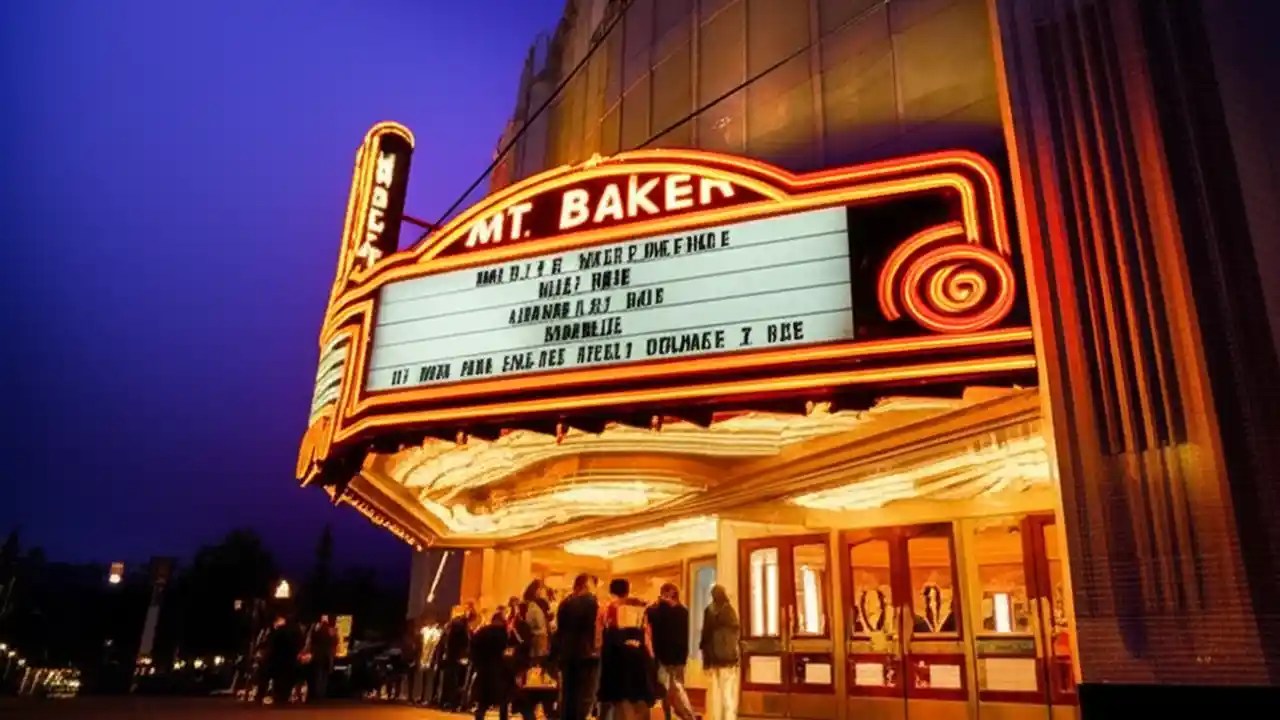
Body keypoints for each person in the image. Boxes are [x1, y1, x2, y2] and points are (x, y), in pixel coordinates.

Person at [598, 579, 655, 720]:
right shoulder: (641, 608)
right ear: (627, 590)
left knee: (619, 698)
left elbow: (600, 634)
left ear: (611, 591)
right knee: (639, 698)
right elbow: (647, 634)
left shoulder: (606, 609)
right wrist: (650, 657)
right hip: (638, 657)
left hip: (615, 657)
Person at [555, 573, 601, 720]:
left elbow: (560, 630)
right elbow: (596, 629)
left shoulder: (564, 603)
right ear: (587, 585)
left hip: (567, 654)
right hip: (587, 655)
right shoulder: (592, 602)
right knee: (585, 695)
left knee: (568, 695)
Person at [646, 584, 695, 720]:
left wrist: (658, 603)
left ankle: (670, 715)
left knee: (665, 689)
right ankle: (686, 715)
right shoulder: (684, 612)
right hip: (679, 657)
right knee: (678, 688)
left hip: (662, 657)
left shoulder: (657, 611)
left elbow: (649, 616)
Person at [700, 585, 740, 720]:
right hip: (728, 659)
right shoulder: (729, 611)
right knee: (728, 695)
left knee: (715, 695)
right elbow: (735, 633)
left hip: (713, 659)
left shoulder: (708, 611)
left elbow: (705, 636)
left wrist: (706, 662)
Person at [471, 611, 516, 720]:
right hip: (499, 669)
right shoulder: (502, 633)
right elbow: (508, 649)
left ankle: (479, 716)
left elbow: (473, 647)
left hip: (484, 669)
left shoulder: (482, 632)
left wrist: (477, 663)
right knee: (503, 699)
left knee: (483, 700)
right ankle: (503, 718)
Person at [440, 606, 473, 710]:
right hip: (457, 658)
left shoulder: (454, 627)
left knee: (451, 680)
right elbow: (464, 643)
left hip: (453, 657)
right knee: (457, 681)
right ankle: (454, 703)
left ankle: (447, 702)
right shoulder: (461, 627)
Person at [306, 615, 337, 702]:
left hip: (318, 656)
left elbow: (312, 640)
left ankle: (318, 694)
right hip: (327, 656)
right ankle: (321, 693)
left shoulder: (317, 631)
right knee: (324, 676)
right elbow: (335, 642)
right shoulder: (331, 631)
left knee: (318, 675)